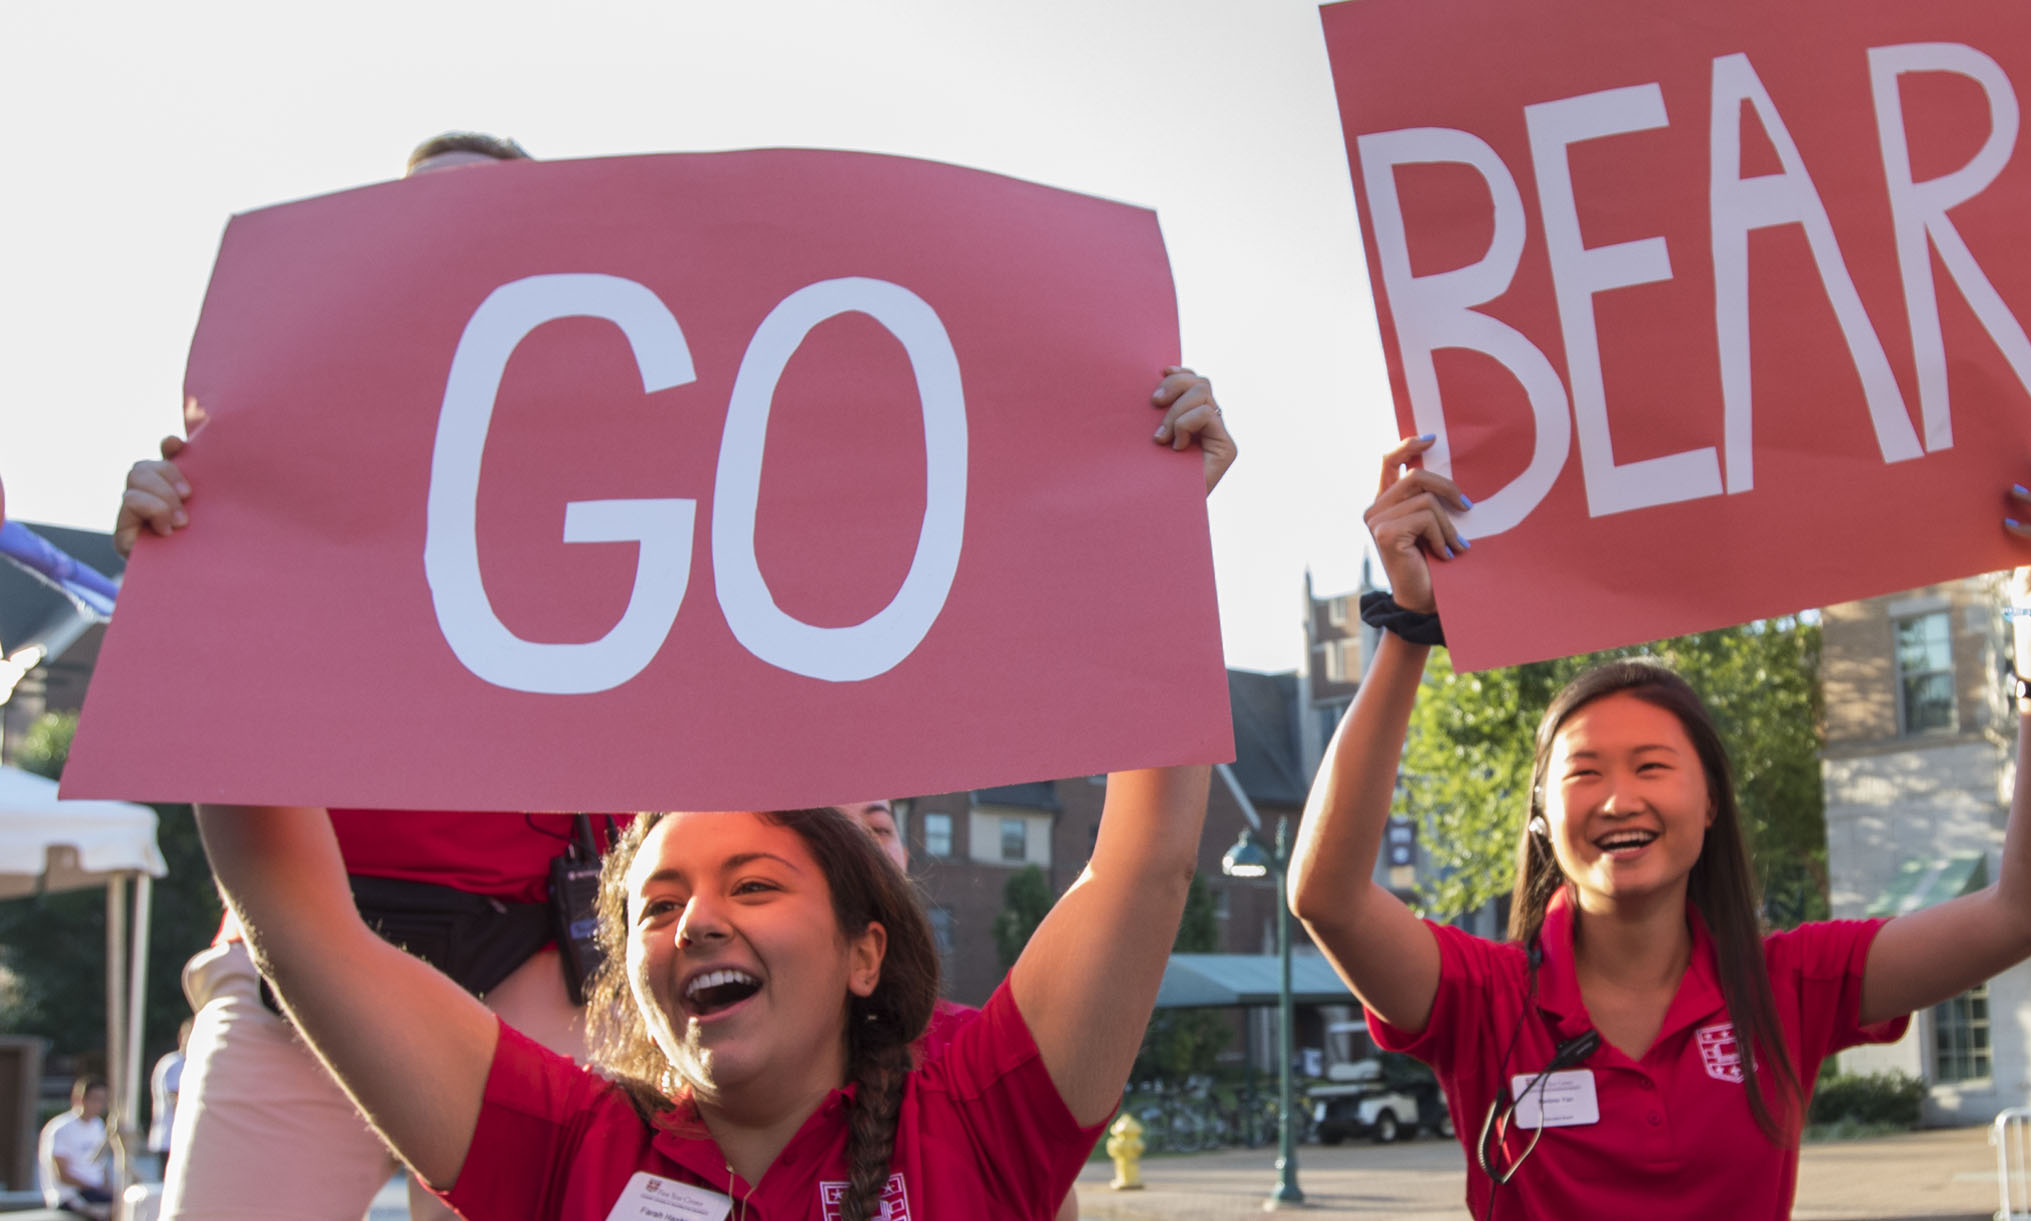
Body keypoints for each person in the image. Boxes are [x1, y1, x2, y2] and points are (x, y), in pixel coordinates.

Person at [179, 374, 1233, 1220]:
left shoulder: (974, 1118)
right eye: (657, 902)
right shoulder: (564, 1146)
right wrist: (215, 581)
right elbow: (298, 920)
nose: (698, 923)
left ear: (866, 950)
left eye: (756, 884)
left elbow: (1140, 866)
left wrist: (1159, 538)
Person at [1288, 436, 2031, 1219]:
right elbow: (1327, 895)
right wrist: (1408, 627)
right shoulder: (1483, 1000)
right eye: (1583, 773)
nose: (1618, 799)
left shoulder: (1788, 987)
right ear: (1540, 819)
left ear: (1710, 803)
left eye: (1651, 767)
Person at [118, 131, 628, 1221]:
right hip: (297, 950)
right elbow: (206, 695)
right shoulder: (269, 439)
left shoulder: (635, 451)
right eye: (417, 221)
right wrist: (173, 548)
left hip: (533, 955)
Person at [835, 799, 1079, 1219]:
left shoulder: (966, 1042)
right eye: (835, 829)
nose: (861, 845)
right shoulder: (744, 1055)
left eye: (878, 828)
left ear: (905, 860)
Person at [37, 1076, 112, 1220]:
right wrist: (93, 1187)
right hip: (71, 1195)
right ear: (80, 1099)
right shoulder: (61, 1128)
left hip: (94, 1192)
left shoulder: (98, 1125)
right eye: (95, 1099)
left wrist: (106, 1187)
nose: (99, 1104)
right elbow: (61, 1173)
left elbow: (100, 1165)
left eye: (102, 1100)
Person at [147, 1021, 189, 1172]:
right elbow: (176, 1100)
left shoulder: (191, 1062)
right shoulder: (175, 1063)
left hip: (181, 1139)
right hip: (170, 1139)